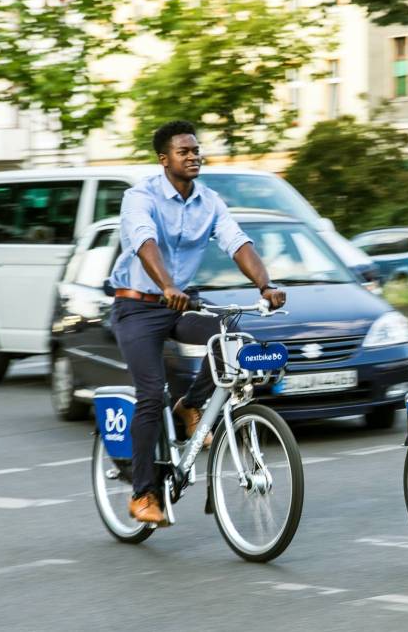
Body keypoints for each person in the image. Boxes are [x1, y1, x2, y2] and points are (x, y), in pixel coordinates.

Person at [108, 120, 287, 526]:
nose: (193, 157)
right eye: (183, 152)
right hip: (136, 305)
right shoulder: (141, 197)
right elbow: (143, 240)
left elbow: (237, 242)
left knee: (231, 341)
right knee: (150, 395)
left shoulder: (209, 201)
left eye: (196, 150)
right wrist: (167, 283)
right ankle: (142, 494)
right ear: (164, 159)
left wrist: (266, 284)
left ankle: (190, 404)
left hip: (179, 303)